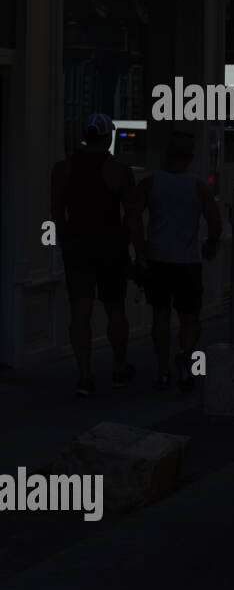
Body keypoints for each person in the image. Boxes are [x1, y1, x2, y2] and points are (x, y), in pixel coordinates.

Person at [49, 114, 147, 396]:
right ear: (107, 139)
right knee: (115, 307)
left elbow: (56, 212)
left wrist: (63, 240)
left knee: (80, 310)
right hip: (111, 247)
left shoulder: (62, 169)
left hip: (77, 246)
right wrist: (139, 254)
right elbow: (132, 218)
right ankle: (118, 368)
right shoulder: (119, 171)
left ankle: (84, 375)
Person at [138, 132, 223, 390]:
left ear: (166, 154)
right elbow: (215, 221)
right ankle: (185, 357)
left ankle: (163, 370)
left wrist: (140, 249)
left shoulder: (150, 182)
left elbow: (131, 217)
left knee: (160, 316)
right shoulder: (199, 186)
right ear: (190, 158)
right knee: (191, 317)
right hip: (187, 261)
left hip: (158, 259)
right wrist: (210, 244)